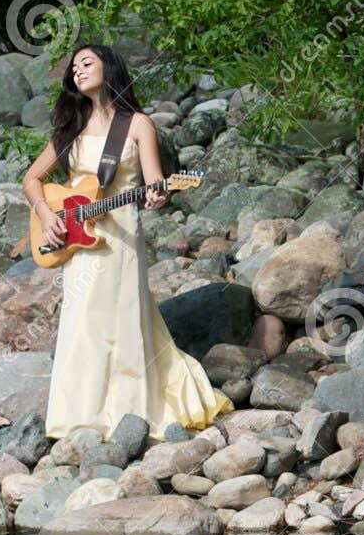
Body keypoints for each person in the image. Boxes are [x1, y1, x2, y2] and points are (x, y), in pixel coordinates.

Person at [22, 43, 233, 442]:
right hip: (80, 238)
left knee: (123, 319)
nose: (78, 71)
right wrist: (47, 215)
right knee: (83, 323)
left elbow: (155, 184)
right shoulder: (71, 127)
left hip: (121, 235)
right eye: (74, 67)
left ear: (110, 68)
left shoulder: (137, 124)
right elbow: (32, 179)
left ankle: (129, 416)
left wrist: (158, 195)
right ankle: (78, 418)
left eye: (87, 63)